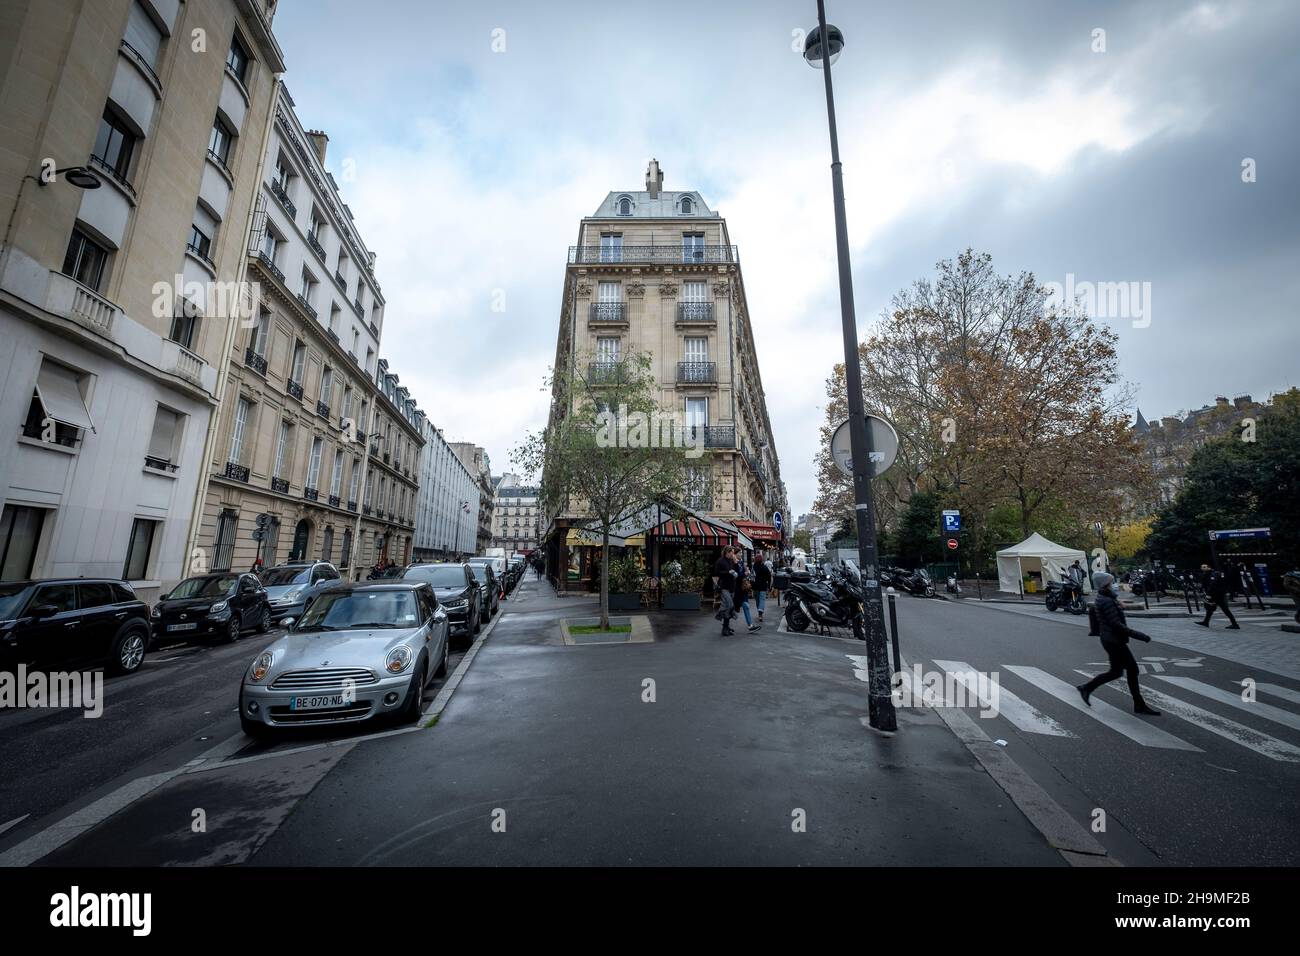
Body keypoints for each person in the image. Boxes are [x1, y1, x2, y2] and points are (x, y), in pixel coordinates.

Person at [1077, 572, 1160, 715]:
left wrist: (1119, 605)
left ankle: (1087, 688)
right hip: (1114, 640)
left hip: (1110, 639)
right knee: (1131, 670)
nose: (1114, 585)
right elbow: (1116, 624)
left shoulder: (1106, 598)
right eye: (1111, 582)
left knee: (1116, 672)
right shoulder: (1107, 600)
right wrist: (1140, 635)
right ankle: (1139, 704)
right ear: (1105, 585)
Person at [1197, 563, 1240, 629]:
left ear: (1209, 568)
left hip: (1217, 594)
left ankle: (1235, 624)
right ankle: (1206, 622)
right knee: (1210, 608)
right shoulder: (1207, 574)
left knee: (1224, 609)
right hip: (1217, 594)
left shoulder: (1213, 574)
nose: (1202, 568)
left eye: (1204, 567)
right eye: (1202, 567)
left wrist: (1208, 594)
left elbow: (1212, 585)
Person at [713, 547, 738, 635]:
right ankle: (724, 627)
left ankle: (726, 627)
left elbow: (736, 571)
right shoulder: (720, 561)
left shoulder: (731, 561)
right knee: (729, 605)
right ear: (728, 552)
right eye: (732, 552)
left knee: (728, 606)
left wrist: (736, 564)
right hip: (724, 586)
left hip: (732, 586)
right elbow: (716, 573)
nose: (733, 554)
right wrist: (728, 572)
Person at [734, 552, 759, 632]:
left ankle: (750, 625)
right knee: (731, 608)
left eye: (741, 552)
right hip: (738, 589)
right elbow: (737, 576)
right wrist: (745, 573)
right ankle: (725, 623)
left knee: (746, 606)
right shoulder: (734, 563)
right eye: (740, 553)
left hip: (743, 588)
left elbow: (742, 574)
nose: (741, 554)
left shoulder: (741, 562)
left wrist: (746, 571)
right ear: (735, 554)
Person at [753, 551, 772, 623]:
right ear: (762, 559)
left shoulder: (754, 566)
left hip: (755, 586)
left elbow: (751, 576)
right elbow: (769, 576)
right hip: (763, 586)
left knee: (757, 600)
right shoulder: (764, 567)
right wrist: (769, 585)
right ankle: (760, 614)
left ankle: (759, 612)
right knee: (762, 600)